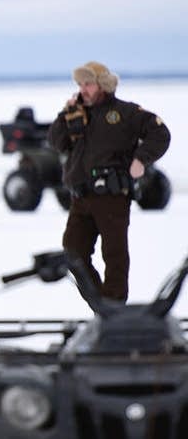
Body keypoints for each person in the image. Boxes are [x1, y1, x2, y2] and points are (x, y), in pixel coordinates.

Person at [48, 61, 170, 303]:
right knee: (73, 251)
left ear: (103, 84)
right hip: (81, 198)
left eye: (89, 84)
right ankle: (103, 308)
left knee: (114, 255)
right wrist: (65, 116)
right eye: (80, 85)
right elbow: (55, 142)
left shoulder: (125, 113)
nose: (84, 89)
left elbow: (160, 134)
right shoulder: (76, 115)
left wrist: (141, 160)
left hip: (111, 197)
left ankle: (114, 306)